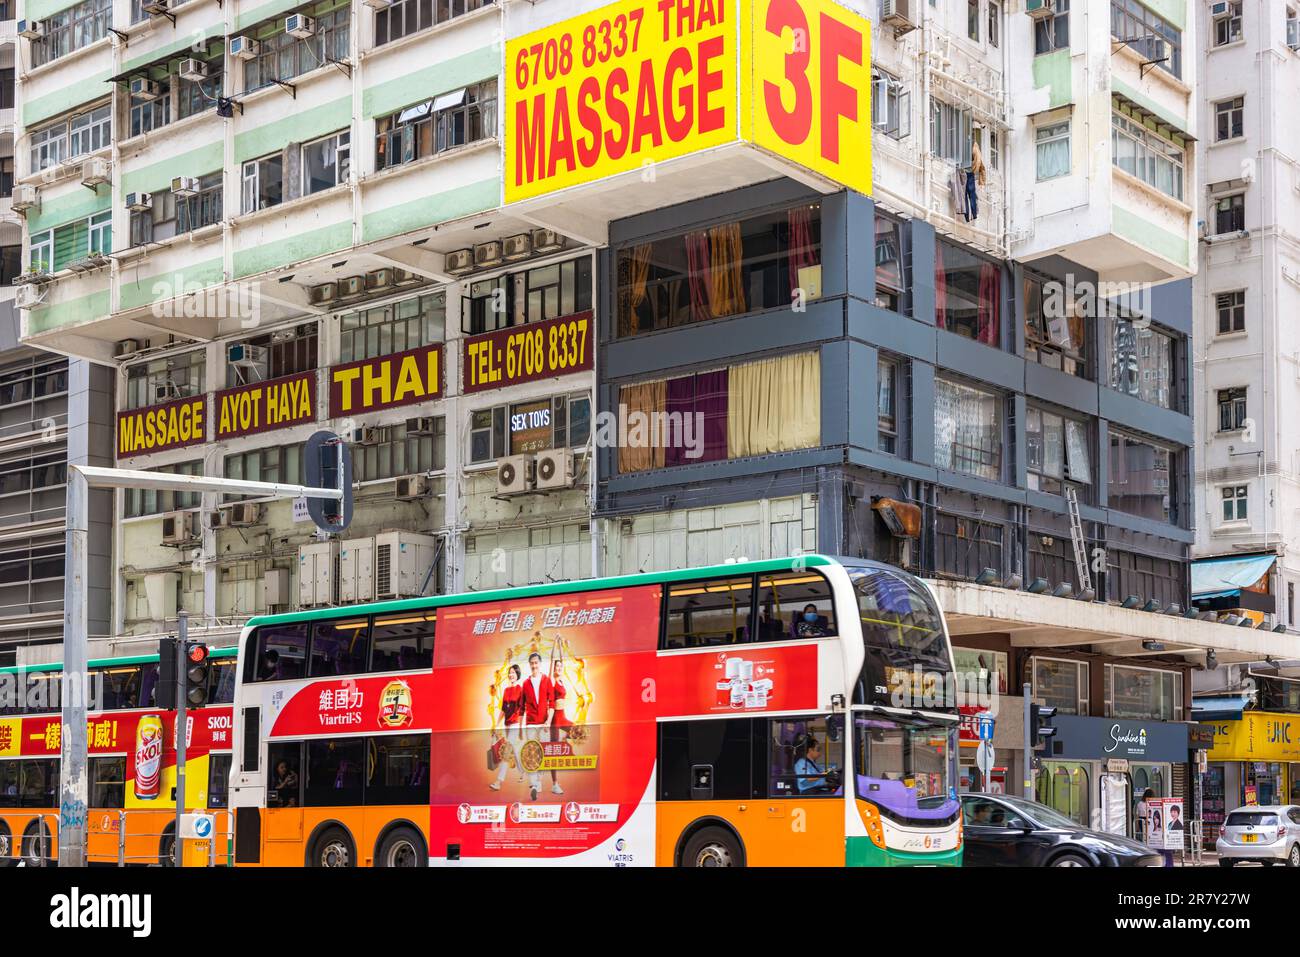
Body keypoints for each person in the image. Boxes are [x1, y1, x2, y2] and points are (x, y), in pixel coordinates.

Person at [520, 652, 554, 801]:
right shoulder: (525, 684)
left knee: (542, 754)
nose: (534, 665)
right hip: (531, 724)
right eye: (532, 663)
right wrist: (521, 727)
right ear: (529, 665)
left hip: (544, 723)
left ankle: (538, 780)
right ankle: (533, 785)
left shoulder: (547, 680)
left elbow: (551, 703)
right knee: (532, 753)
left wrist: (549, 721)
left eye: (536, 663)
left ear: (540, 664)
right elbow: (521, 708)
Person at [490, 665, 524, 791]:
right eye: (510, 673)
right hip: (507, 724)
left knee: (506, 751)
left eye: (514, 673)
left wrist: (520, 728)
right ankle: (523, 771)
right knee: (514, 749)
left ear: (517, 674)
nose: (511, 675)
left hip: (515, 724)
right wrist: (497, 724)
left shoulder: (520, 689)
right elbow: (503, 710)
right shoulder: (505, 690)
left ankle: (499, 781)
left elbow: (521, 710)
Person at [549, 659, 572, 797]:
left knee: (578, 731)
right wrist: (554, 646)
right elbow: (553, 661)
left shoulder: (562, 680)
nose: (558, 667)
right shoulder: (552, 681)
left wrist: (560, 643)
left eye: (560, 666)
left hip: (563, 716)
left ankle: (564, 739)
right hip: (555, 719)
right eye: (556, 666)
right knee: (553, 752)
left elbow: (562, 660)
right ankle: (555, 784)